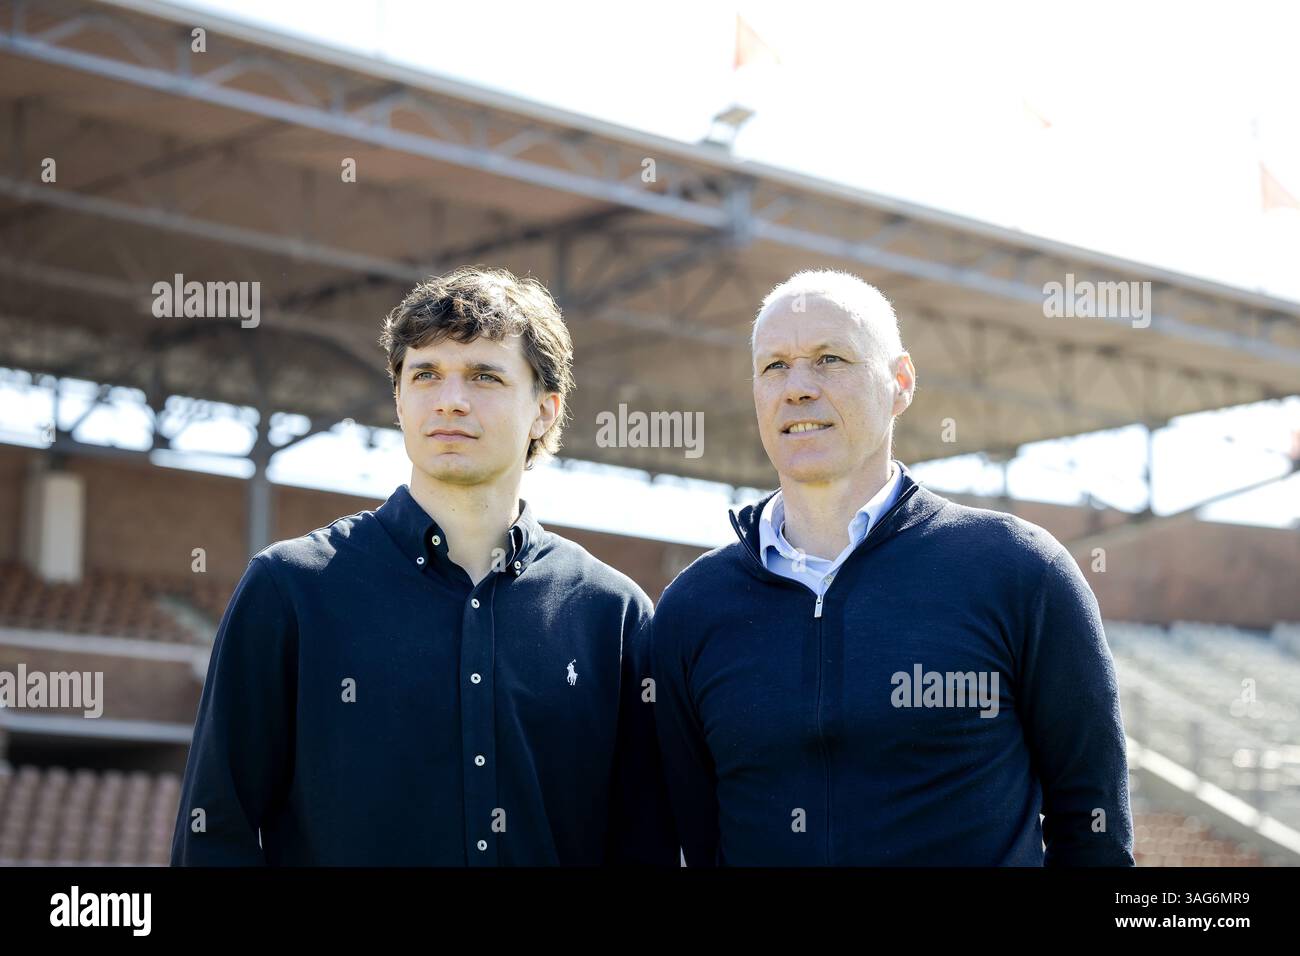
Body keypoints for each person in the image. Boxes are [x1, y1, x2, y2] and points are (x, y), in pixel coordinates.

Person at [172, 266, 675, 865]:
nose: (450, 400)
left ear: (545, 410)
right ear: (400, 398)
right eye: (426, 374)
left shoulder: (612, 615)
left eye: (484, 376)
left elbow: (643, 849)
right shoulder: (291, 589)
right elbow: (214, 832)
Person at [650, 269, 1134, 866]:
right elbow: (698, 846)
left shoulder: (1018, 571)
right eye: (775, 365)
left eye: (829, 358)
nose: (797, 386)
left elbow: (1096, 837)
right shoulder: (693, 608)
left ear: (900, 382)